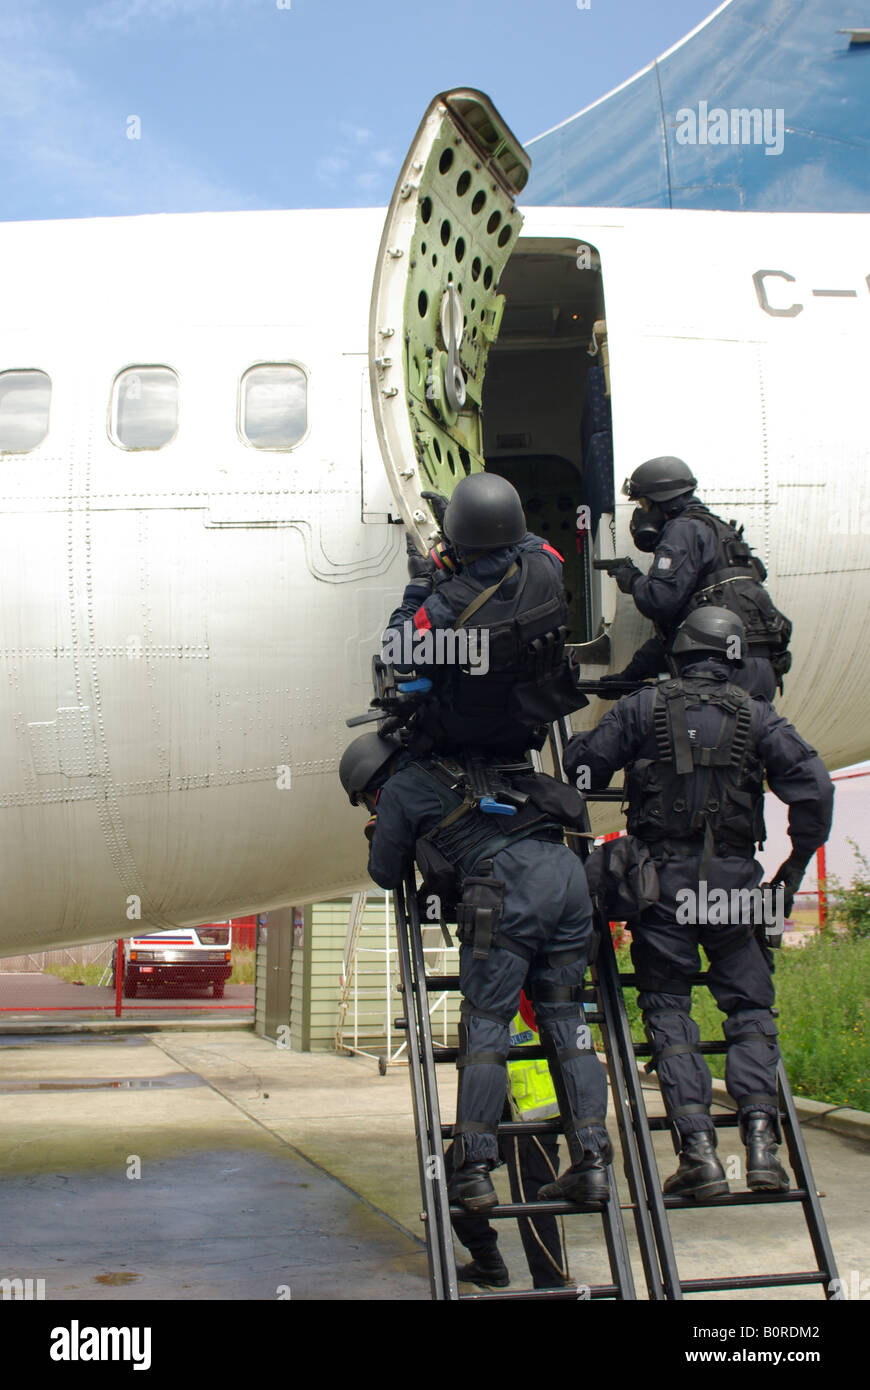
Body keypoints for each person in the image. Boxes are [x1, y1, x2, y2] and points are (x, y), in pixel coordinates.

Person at [561, 607, 833, 1197]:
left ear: (680, 654)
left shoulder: (642, 708)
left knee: (667, 1012)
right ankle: (763, 1150)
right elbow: (816, 789)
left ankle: (699, 1156)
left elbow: (581, 769)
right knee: (752, 1016)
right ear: (733, 658)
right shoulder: (759, 716)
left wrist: (592, 747)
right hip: (737, 888)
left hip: (663, 887)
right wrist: (791, 870)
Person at [338, 731, 614, 1213]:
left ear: (372, 784)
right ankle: (592, 1164)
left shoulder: (402, 788)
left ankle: (474, 1170)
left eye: (366, 801)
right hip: (567, 877)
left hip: (507, 884)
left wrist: (378, 828)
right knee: (567, 1022)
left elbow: (386, 872)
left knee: (487, 1023)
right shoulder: (482, 755)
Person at [381, 472, 579, 756]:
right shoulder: (548, 563)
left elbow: (396, 652)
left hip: (465, 729)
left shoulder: (449, 604)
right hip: (525, 718)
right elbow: (527, 541)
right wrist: (469, 526)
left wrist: (418, 585)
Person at [607, 457, 791, 700]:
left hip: (722, 670)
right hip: (757, 666)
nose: (642, 513)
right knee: (743, 736)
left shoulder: (682, 530)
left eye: (643, 504)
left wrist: (634, 581)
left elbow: (660, 601)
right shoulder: (720, 531)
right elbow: (679, 631)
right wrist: (630, 676)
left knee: (706, 736)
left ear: (661, 503)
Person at [448, 991, 568, 1289]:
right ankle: (488, 1262)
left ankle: (551, 1283)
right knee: (450, 1175)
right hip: (497, 1097)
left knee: (532, 1197)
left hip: (531, 1102)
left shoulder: (532, 971)